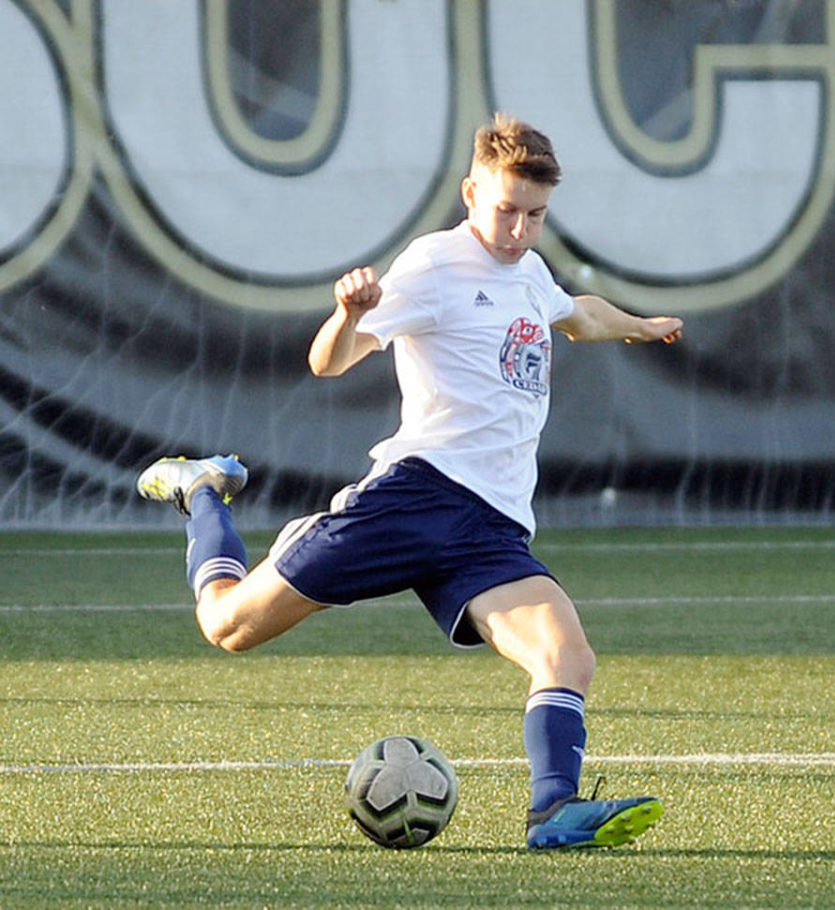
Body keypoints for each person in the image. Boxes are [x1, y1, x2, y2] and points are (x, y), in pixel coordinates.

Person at [137, 112, 683, 850]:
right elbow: (329, 362)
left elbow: (577, 314)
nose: (519, 229)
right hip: (415, 497)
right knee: (228, 627)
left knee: (567, 655)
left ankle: (553, 811)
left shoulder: (529, 274)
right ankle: (201, 489)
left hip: (490, 527)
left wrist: (641, 326)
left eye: (535, 215)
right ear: (470, 193)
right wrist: (346, 313)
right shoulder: (434, 264)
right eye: (506, 210)